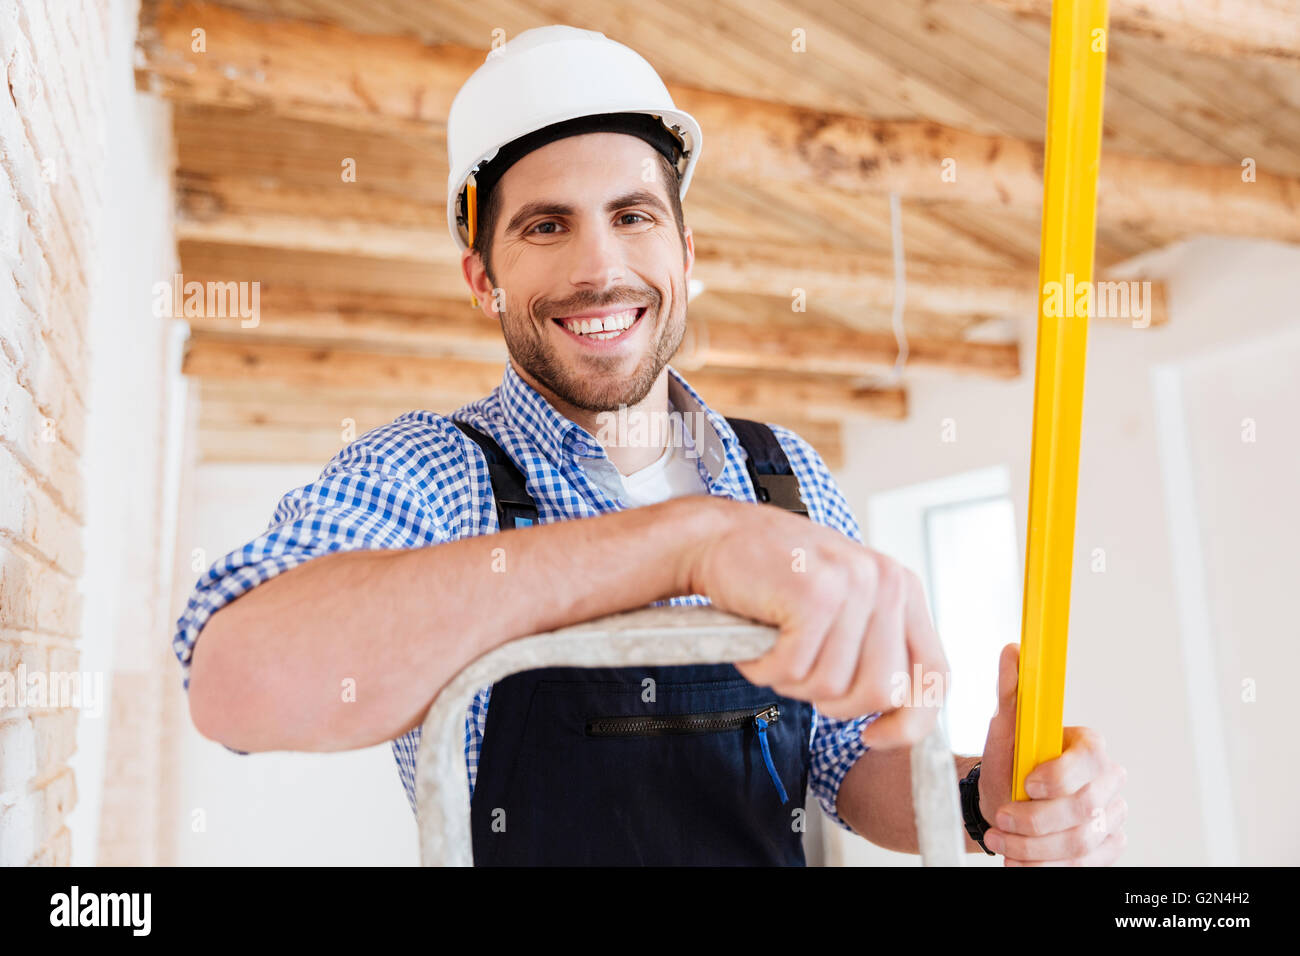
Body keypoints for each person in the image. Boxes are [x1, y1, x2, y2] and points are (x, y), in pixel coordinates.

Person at [173, 25, 1126, 866]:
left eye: (633, 216)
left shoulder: (784, 478)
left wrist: (977, 802)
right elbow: (236, 681)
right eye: (546, 226)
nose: (600, 268)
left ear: (685, 253)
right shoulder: (432, 475)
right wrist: (687, 542)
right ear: (482, 278)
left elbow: (840, 768)